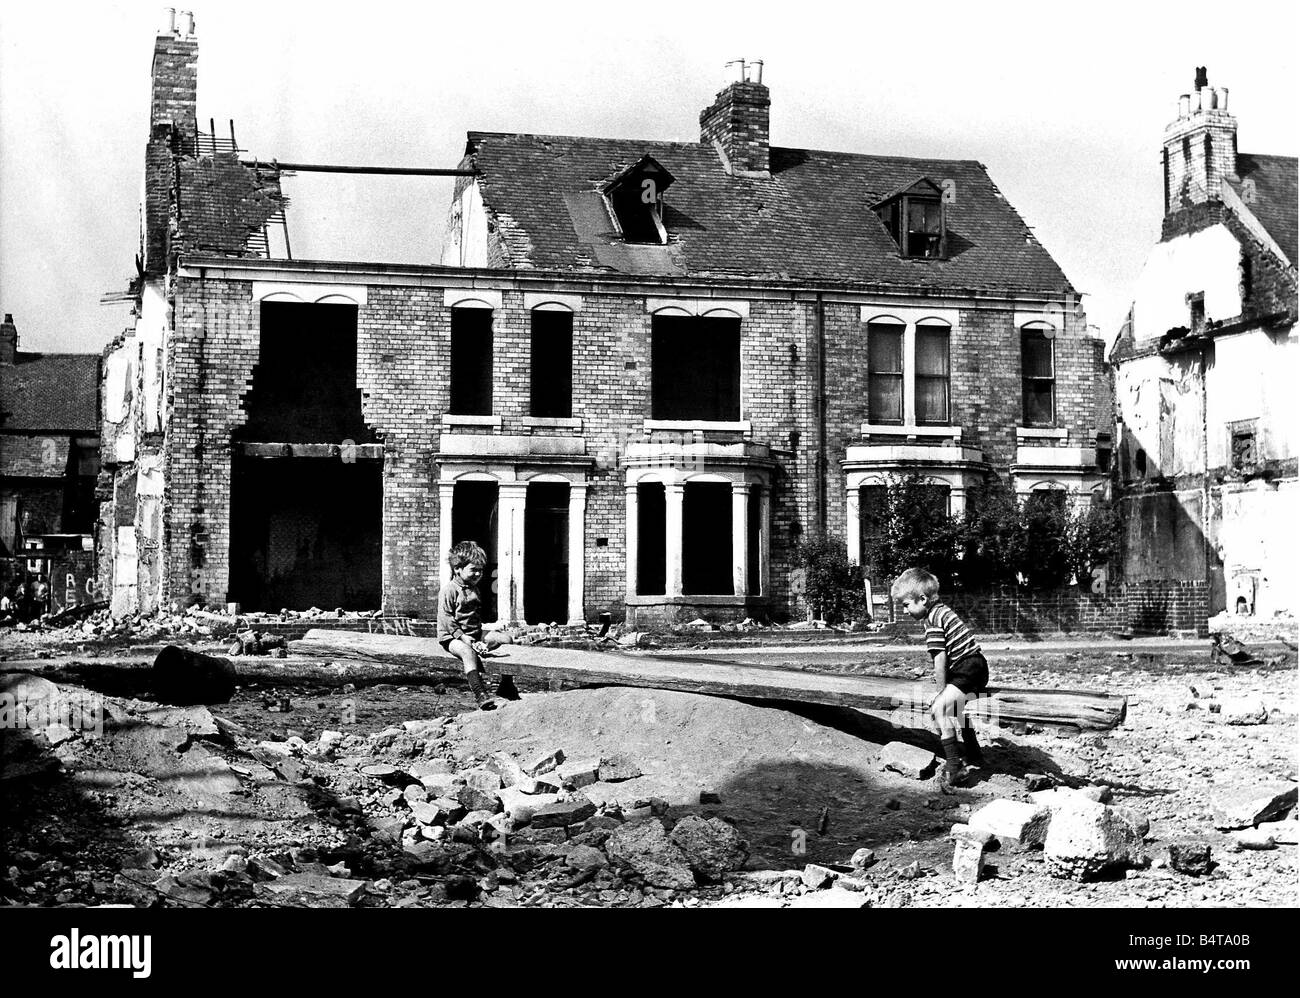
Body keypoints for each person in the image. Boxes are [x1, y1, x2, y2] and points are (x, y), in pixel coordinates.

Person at [890, 567, 988, 787]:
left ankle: (955, 766)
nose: (905, 611)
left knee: (939, 709)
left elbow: (940, 658)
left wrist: (940, 692)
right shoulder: (941, 610)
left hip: (968, 667)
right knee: (957, 706)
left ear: (922, 599)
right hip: (976, 666)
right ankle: (972, 750)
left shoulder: (933, 620)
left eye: (906, 605)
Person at [437, 541, 514, 710]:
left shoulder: (474, 589)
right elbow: (446, 619)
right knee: (467, 652)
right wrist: (463, 637)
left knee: (506, 639)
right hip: (452, 637)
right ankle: (480, 693)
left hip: (474, 633)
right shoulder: (449, 590)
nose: (478, 574)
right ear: (458, 568)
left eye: (481, 570)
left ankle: (507, 685)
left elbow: (474, 617)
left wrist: (485, 639)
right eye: (473, 569)